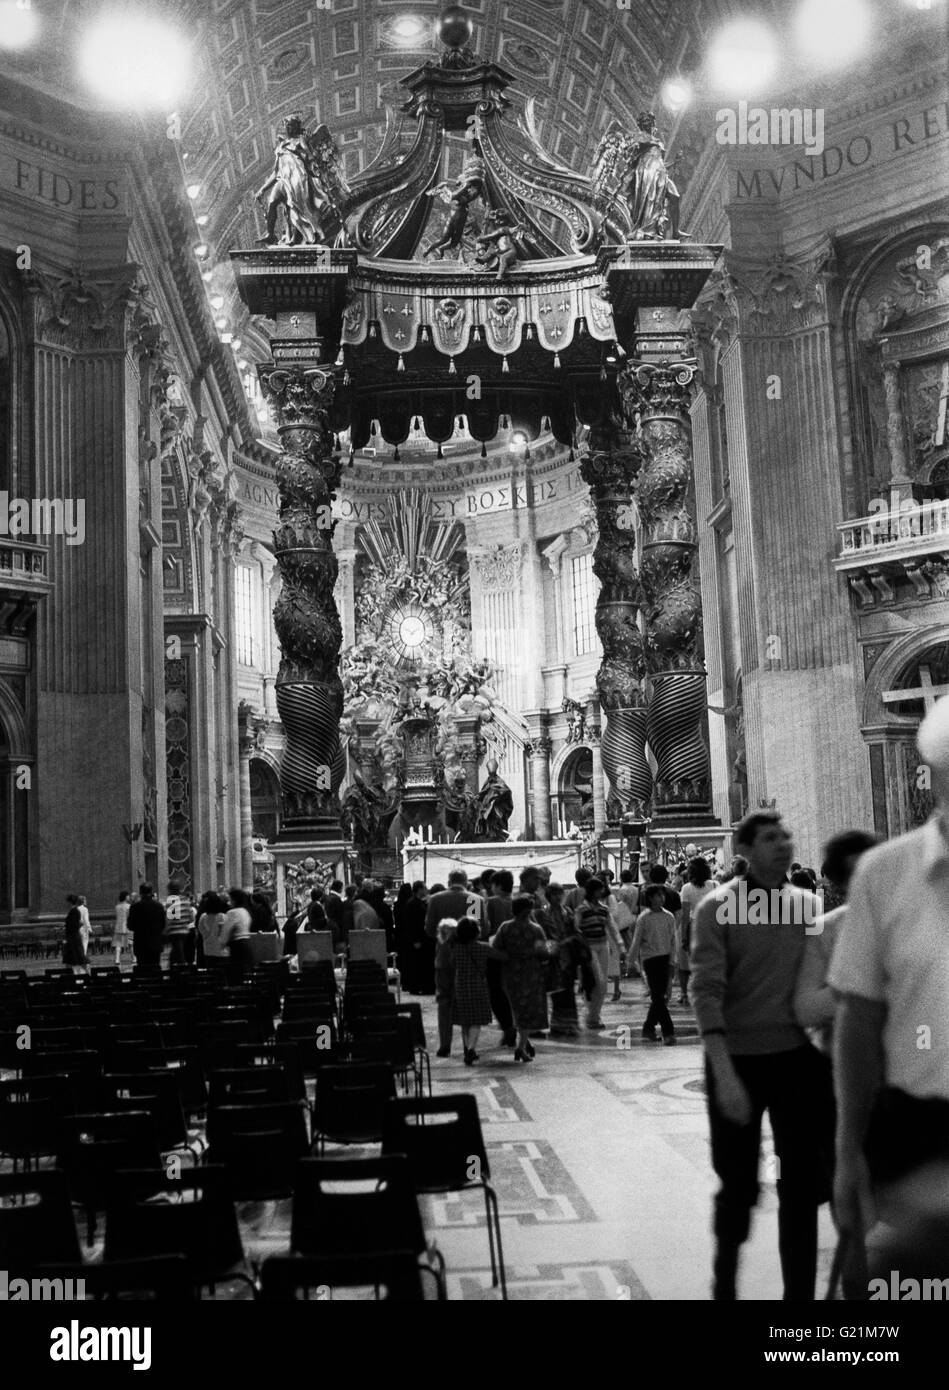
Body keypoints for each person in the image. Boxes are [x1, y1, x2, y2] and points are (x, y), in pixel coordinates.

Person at [690, 810, 832, 1301]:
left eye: (786, 835)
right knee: (737, 1183)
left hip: (796, 1059)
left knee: (800, 1185)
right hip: (738, 1059)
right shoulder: (716, 908)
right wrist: (723, 1073)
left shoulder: (809, 906)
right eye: (771, 837)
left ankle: (800, 1297)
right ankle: (725, 1285)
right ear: (745, 850)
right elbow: (706, 990)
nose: (784, 843)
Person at [830, 697, 949, 1256]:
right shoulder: (884, 874)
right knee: (910, 1284)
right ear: (935, 775)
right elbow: (857, 1021)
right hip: (921, 1129)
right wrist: (848, 1151)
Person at [793, 830, 881, 1053]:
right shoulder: (824, 930)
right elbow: (805, 1009)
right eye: (853, 874)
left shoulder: (911, 921)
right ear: (840, 881)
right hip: (844, 1050)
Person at [491, 895, 549, 1062]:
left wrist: (510, 956)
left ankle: (524, 1043)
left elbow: (495, 949)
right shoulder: (536, 929)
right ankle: (521, 1047)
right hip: (532, 975)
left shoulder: (505, 928)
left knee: (516, 1011)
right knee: (528, 1013)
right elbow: (544, 952)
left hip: (510, 975)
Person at [574, 876, 623, 1030]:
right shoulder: (581, 909)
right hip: (589, 948)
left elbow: (612, 928)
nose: (602, 891)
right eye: (599, 889)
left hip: (603, 946)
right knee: (597, 981)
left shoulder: (604, 909)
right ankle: (593, 1016)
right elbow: (576, 929)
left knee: (602, 985)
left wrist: (621, 946)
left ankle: (594, 1016)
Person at [629, 884, 677, 1044]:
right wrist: (631, 961)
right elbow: (636, 941)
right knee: (658, 997)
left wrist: (673, 961)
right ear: (650, 898)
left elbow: (673, 941)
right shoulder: (644, 918)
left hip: (665, 959)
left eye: (663, 895)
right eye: (658, 895)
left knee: (659, 998)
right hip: (650, 960)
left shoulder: (669, 916)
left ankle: (648, 1028)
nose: (662, 898)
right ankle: (668, 1032)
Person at [452, 918, 495, 1065]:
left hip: (460, 985)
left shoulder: (456, 949)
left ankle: (467, 1048)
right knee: (476, 1020)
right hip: (478, 985)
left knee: (465, 1020)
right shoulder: (483, 948)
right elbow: (501, 955)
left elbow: (450, 964)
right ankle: (471, 1049)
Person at [484, 869, 516, 1046]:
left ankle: (507, 1027)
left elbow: (481, 926)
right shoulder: (517, 901)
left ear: (497, 885)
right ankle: (516, 1025)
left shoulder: (489, 902)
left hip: (495, 953)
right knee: (512, 991)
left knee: (496, 992)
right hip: (516, 954)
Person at [678, 856, 715, 1005]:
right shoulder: (715, 885)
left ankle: (685, 994)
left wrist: (683, 936)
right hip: (711, 927)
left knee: (690, 963)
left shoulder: (686, 888)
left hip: (694, 926)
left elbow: (685, 915)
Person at [434, 916, 459, 1058]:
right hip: (458, 967)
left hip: (441, 968)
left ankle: (445, 1044)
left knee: (443, 1005)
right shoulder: (473, 903)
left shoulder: (436, 902)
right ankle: (468, 1045)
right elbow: (481, 925)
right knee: (462, 1005)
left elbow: (428, 926)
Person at [128, 883, 167, 968]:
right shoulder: (159, 906)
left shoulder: (135, 907)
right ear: (151, 892)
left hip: (140, 943)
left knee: (142, 969)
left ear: (140, 893)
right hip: (155, 943)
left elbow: (130, 926)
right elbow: (163, 924)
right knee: (155, 968)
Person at [164, 881, 197, 965]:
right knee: (177, 954)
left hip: (175, 932)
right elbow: (191, 917)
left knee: (178, 955)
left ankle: (179, 969)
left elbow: (171, 918)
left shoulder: (173, 899)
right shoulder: (185, 899)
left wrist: (165, 930)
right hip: (185, 931)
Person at [393, 883, 417, 992]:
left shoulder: (397, 904)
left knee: (403, 959)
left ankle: (403, 982)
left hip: (400, 935)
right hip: (409, 935)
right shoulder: (411, 904)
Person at [223, 887, 253, 967]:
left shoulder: (232, 913)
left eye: (230, 899)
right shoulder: (245, 911)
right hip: (247, 944)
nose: (228, 903)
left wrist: (221, 944)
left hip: (237, 946)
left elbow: (226, 931)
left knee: (236, 971)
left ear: (234, 900)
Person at [197, 891, 231, 962]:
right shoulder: (223, 917)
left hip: (208, 949)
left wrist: (207, 936)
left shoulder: (203, 916)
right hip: (222, 951)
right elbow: (227, 933)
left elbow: (200, 929)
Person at [62, 894, 88, 974]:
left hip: (73, 938)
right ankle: (71, 974)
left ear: (70, 902)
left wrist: (67, 928)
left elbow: (74, 925)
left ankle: (86, 974)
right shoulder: (74, 911)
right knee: (72, 958)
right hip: (73, 937)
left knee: (78, 958)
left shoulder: (74, 911)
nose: (65, 904)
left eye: (67, 902)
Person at [113, 890, 131, 966]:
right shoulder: (129, 906)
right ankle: (134, 958)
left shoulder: (117, 907)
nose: (129, 897)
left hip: (118, 927)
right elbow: (129, 917)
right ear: (125, 897)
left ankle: (117, 959)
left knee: (118, 944)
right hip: (127, 926)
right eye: (128, 896)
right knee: (131, 943)